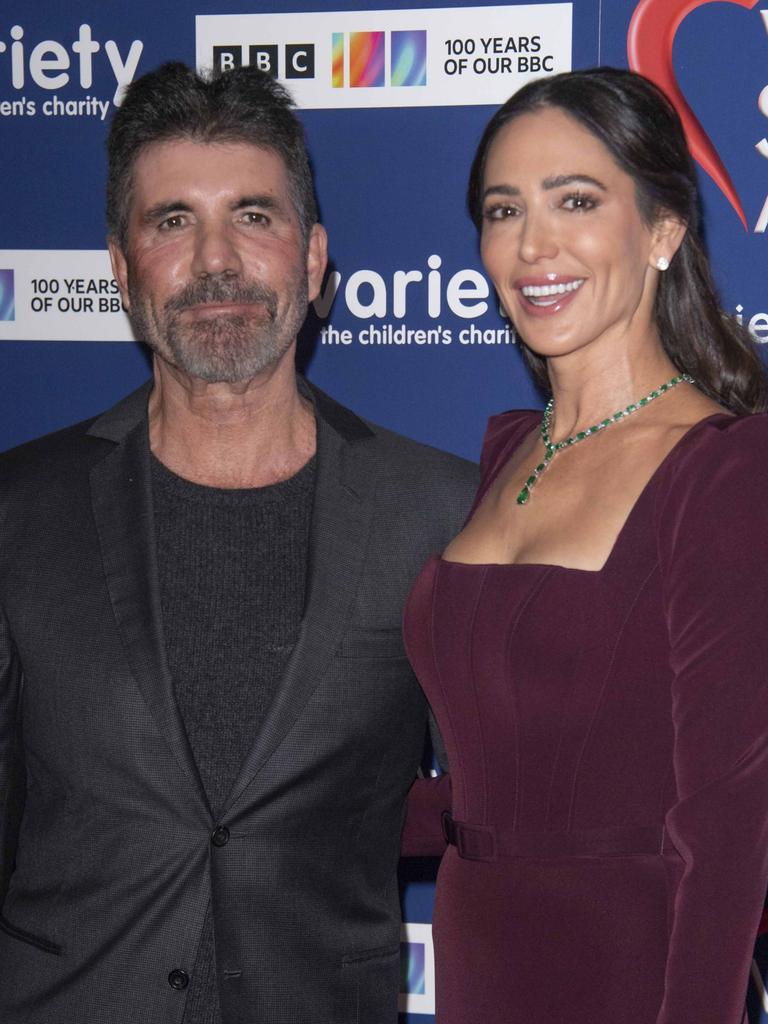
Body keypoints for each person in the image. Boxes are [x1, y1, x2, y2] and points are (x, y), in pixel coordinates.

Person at [0, 62, 477, 1024]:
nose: (216, 260)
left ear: (312, 259)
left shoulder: (440, 510)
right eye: (173, 220)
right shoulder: (17, 508)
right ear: (122, 270)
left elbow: (500, 807)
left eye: (254, 216)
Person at [402, 67, 768, 1024]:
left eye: (576, 200)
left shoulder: (724, 471)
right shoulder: (505, 455)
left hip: (627, 972)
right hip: (478, 958)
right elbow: (507, 771)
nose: (533, 245)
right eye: (502, 208)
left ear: (662, 230)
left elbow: (727, 828)